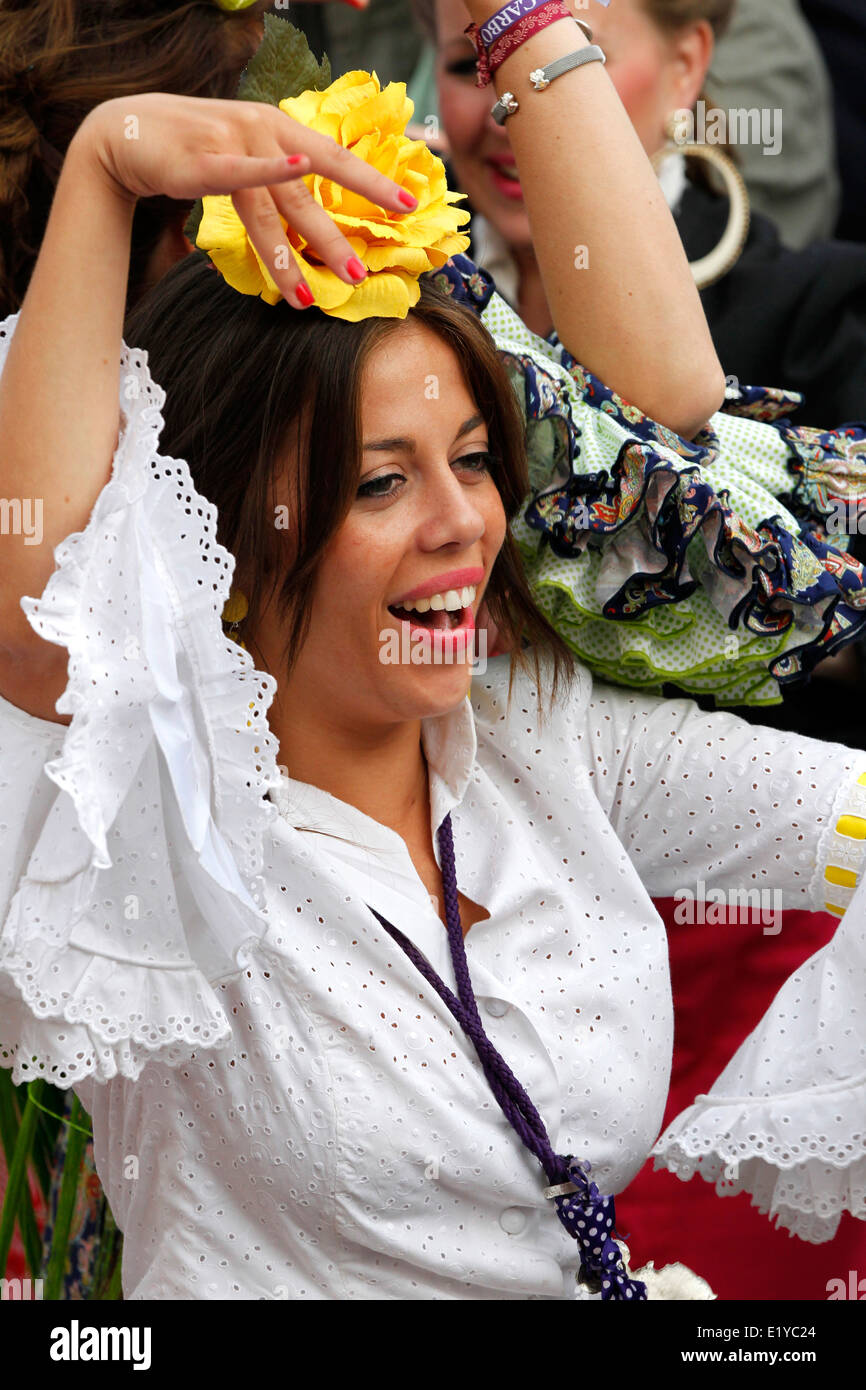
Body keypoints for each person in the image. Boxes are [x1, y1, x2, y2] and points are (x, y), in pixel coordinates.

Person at [0, 12, 864, 1300]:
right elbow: (37, 624)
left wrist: (520, 30)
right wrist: (110, 167)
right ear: (229, 542)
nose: (459, 526)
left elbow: (846, 814)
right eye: (377, 484)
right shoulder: (157, 795)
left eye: (471, 463)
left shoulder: (540, 737)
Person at [420, 0, 866, 431]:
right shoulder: (389, 266)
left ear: (685, 67)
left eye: (569, 58)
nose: (503, 117)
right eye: (468, 67)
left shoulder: (815, 324)